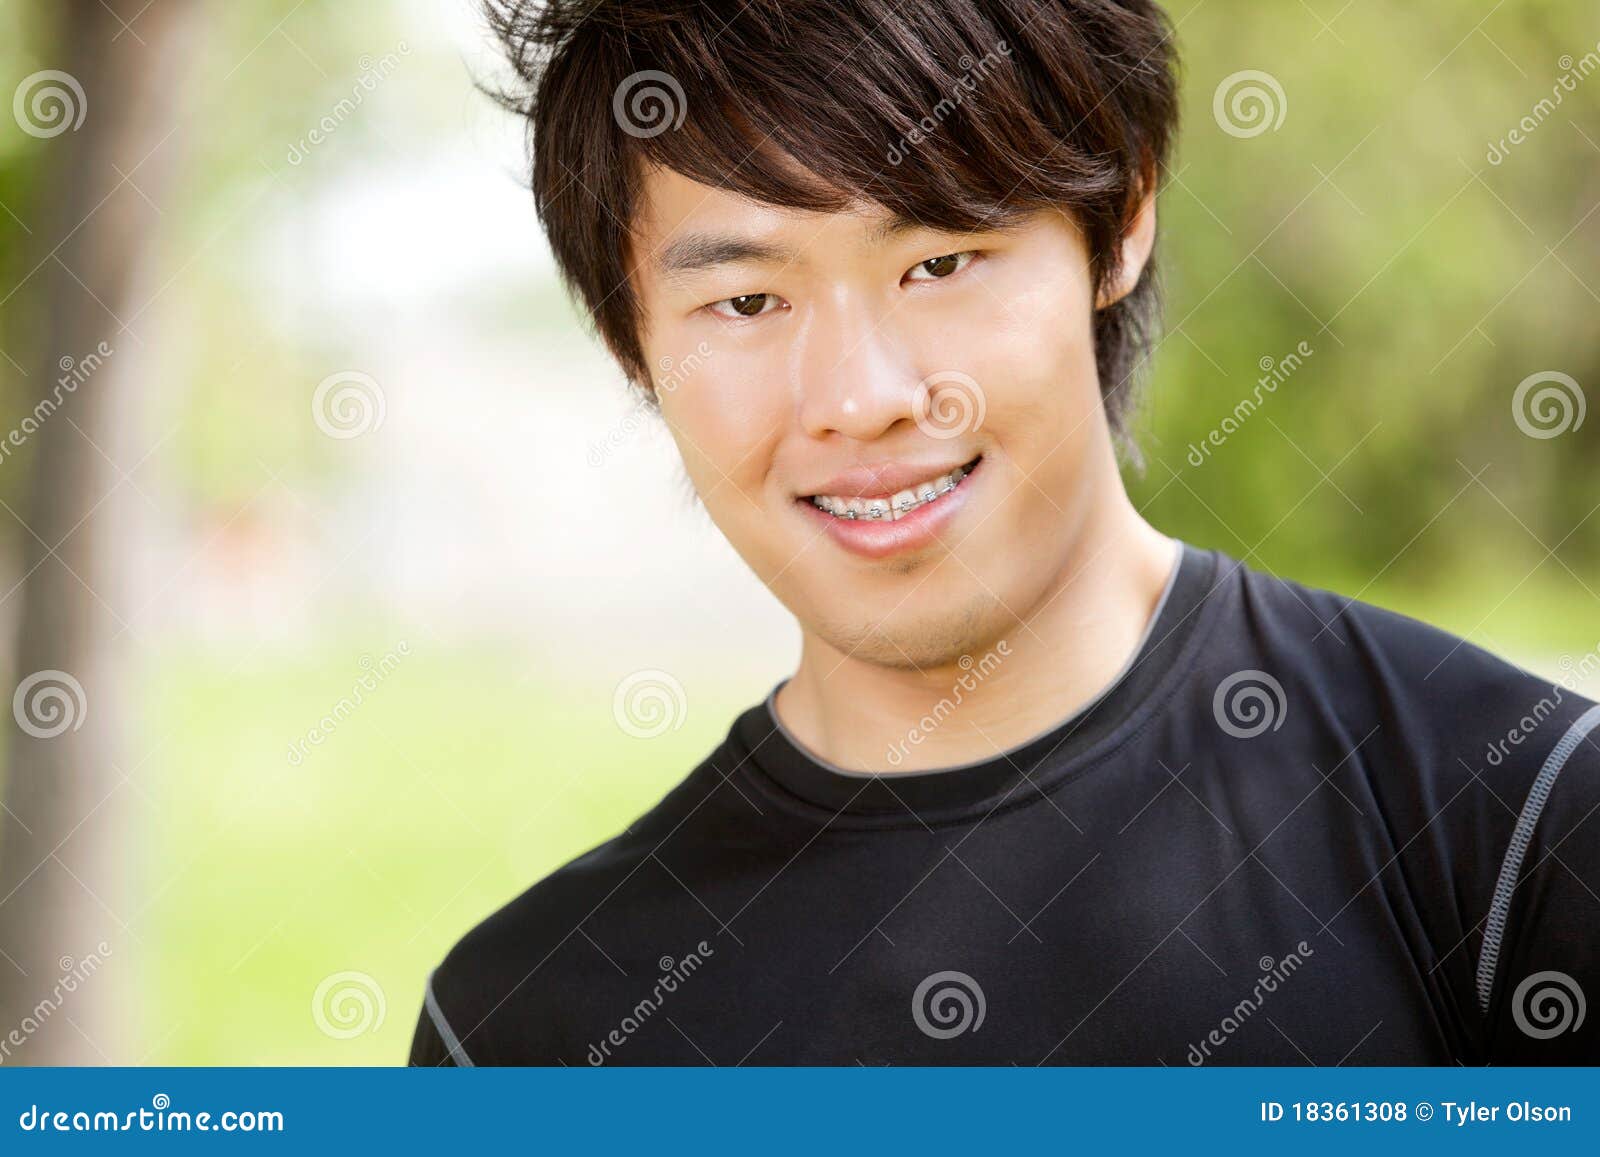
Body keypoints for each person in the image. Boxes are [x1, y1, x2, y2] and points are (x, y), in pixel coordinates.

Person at [410, 0, 1599, 1065]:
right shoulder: (529, 1029)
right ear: (633, 345)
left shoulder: (1513, 829)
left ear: (1118, 221)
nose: (859, 394)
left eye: (938, 261)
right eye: (747, 301)